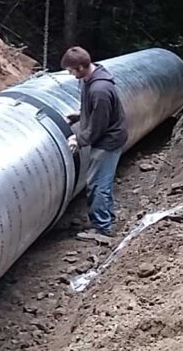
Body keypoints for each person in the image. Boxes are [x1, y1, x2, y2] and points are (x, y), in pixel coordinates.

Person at [61, 46, 128, 243]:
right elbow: (94, 112)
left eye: (72, 70)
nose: (71, 74)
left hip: (108, 140)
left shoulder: (100, 90)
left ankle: (102, 228)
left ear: (81, 67)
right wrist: (78, 116)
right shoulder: (90, 80)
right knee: (99, 181)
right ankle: (105, 219)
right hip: (107, 136)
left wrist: (78, 139)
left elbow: (99, 125)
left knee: (98, 183)